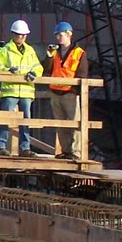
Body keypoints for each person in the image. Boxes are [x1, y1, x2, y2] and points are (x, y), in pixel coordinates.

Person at [0, 18, 42, 156]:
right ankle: (0, 146)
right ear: (14, 35)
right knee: (5, 119)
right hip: (10, 90)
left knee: (25, 120)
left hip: (26, 92)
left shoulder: (30, 50)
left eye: (25, 35)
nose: (23, 37)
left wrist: (34, 73)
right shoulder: (5, 51)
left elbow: (38, 67)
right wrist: (8, 71)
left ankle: (25, 148)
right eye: (20, 34)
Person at [43, 20, 86, 159]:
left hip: (69, 93)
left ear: (69, 34)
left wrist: (75, 91)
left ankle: (75, 152)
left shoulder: (79, 53)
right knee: (60, 124)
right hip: (55, 92)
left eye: (59, 35)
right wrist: (49, 56)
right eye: (56, 35)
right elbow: (47, 68)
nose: (58, 38)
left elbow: (82, 73)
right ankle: (66, 150)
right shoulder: (55, 52)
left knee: (74, 124)